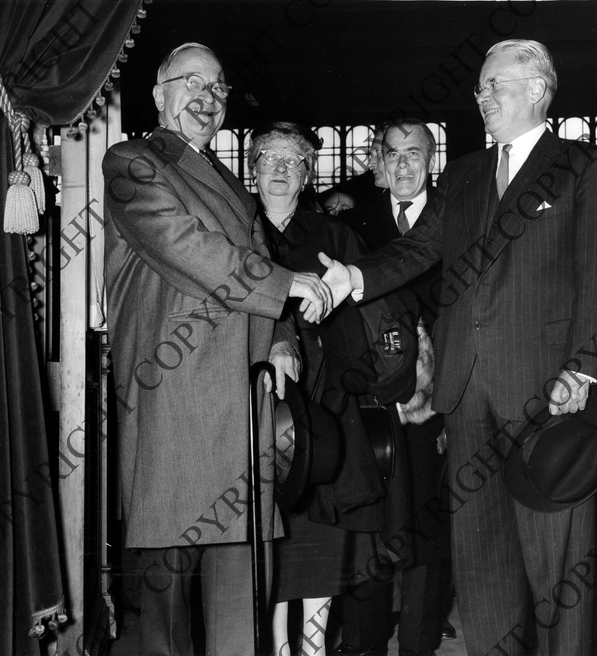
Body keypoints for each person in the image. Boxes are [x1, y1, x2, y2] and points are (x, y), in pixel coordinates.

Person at [322, 39, 597, 656]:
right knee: (482, 560)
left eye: (495, 86)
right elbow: (415, 252)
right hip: (465, 392)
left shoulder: (584, 166)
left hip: (548, 393)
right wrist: (354, 279)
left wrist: (585, 369)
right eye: (480, 88)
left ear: (537, 90)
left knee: (557, 567)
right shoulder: (463, 174)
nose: (481, 96)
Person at [102, 43, 333, 656]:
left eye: (219, 88)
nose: (207, 98)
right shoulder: (132, 162)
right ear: (159, 94)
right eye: (192, 84)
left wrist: (283, 339)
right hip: (176, 403)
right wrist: (287, 288)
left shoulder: (232, 183)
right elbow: (189, 249)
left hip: (242, 402)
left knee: (242, 597)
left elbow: (259, 261)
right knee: (170, 604)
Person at [248, 120, 405, 656]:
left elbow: (370, 304)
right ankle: (275, 647)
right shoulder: (235, 229)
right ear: (253, 167)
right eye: (269, 158)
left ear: (308, 172)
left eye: (294, 161)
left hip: (327, 400)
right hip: (259, 401)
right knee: (266, 527)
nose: (280, 170)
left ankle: (312, 647)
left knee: (321, 528)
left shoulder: (333, 234)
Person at [333, 120, 451, 656]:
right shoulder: (354, 222)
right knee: (372, 522)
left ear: (433, 158)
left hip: (436, 395)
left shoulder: (454, 214)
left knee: (428, 521)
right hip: (374, 397)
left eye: (415, 154)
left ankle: (421, 643)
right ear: (381, 160)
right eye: (394, 154)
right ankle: (365, 644)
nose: (404, 165)